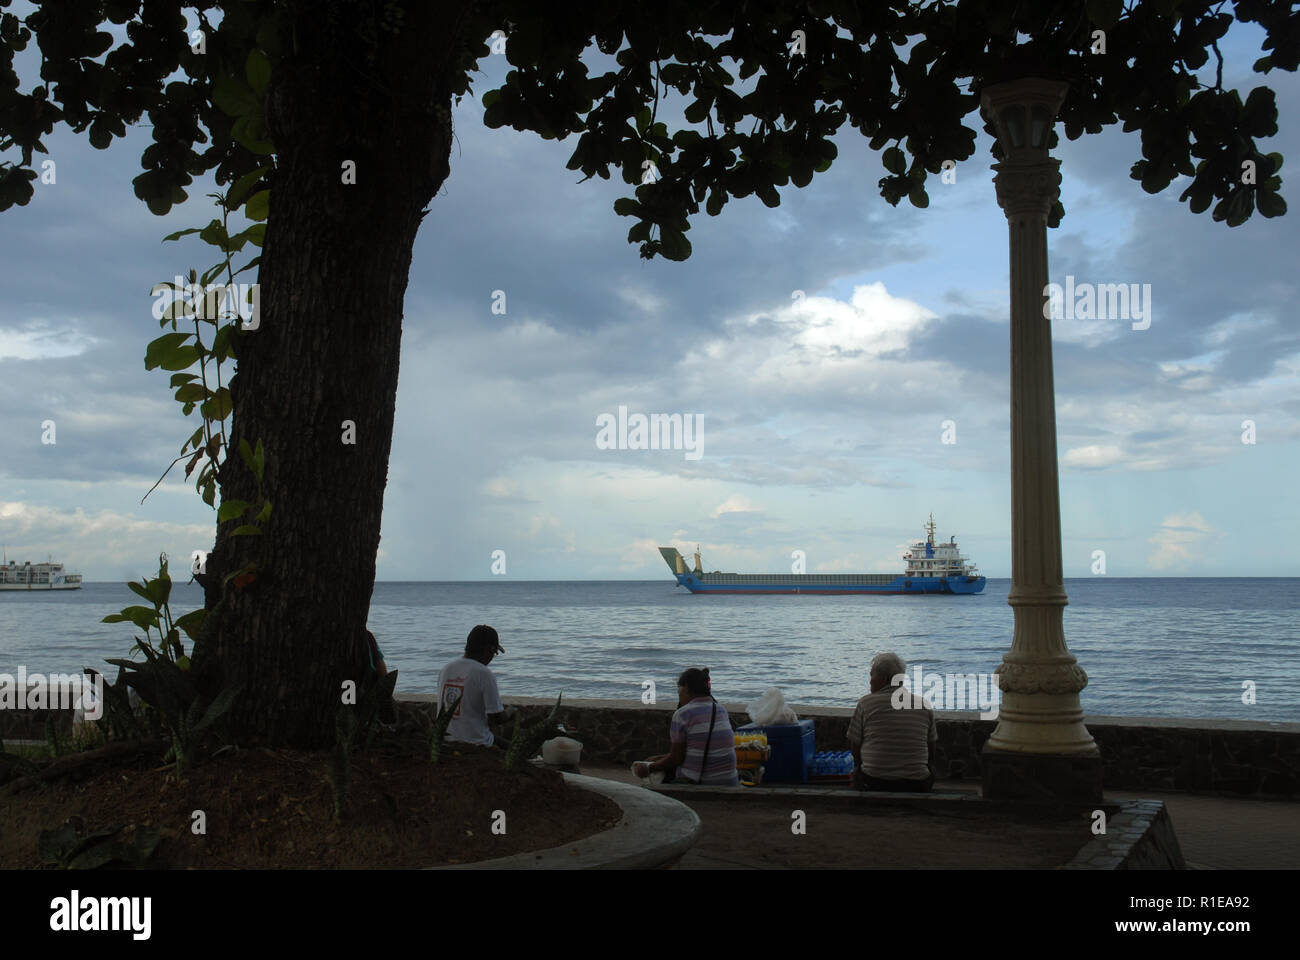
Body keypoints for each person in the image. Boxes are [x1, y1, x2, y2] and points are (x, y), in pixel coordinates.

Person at [847, 651, 936, 792]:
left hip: (874, 781)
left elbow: (855, 748)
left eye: (872, 675)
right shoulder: (923, 704)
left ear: (883, 679)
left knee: (856, 774)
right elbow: (931, 749)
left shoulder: (865, 703)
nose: (870, 680)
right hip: (917, 783)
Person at [633, 667, 739, 786]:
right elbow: (695, 750)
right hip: (730, 781)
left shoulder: (683, 714)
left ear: (687, 687)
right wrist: (659, 758)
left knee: (653, 778)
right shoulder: (721, 710)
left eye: (679, 688)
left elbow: (676, 759)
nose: (679, 693)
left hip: (701, 783)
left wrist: (649, 768)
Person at [436, 624, 515, 747]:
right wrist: (511, 711)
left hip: (444, 741)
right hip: (476, 742)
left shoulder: (446, 669)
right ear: (487, 649)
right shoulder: (483, 673)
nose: (492, 658)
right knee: (516, 750)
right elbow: (496, 718)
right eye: (494, 653)